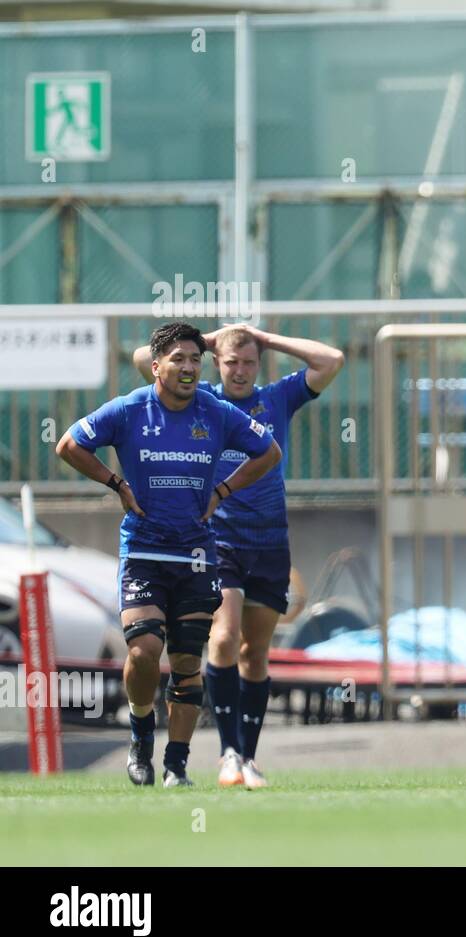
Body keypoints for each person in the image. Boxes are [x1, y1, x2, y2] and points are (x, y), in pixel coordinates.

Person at [56, 322, 281, 787]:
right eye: (178, 359)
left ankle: (177, 764)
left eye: (196, 360)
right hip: (143, 548)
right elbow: (69, 445)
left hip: (196, 554)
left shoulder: (216, 412)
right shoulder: (128, 409)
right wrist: (116, 484)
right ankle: (141, 733)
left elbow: (269, 452)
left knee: (184, 662)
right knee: (144, 649)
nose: (188, 368)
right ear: (155, 366)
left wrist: (222, 489)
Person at [133, 324, 344, 788]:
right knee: (224, 639)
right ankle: (227, 752)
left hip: (269, 542)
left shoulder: (277, 398)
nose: (241, 371)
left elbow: (331, 359)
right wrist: (210, 340)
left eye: (249, 362)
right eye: (232, 362)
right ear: (217, 364)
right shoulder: (204, 398)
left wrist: (265, 337)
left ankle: (247, 757)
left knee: (256, 651)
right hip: (219, 540)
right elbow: (139, 358)